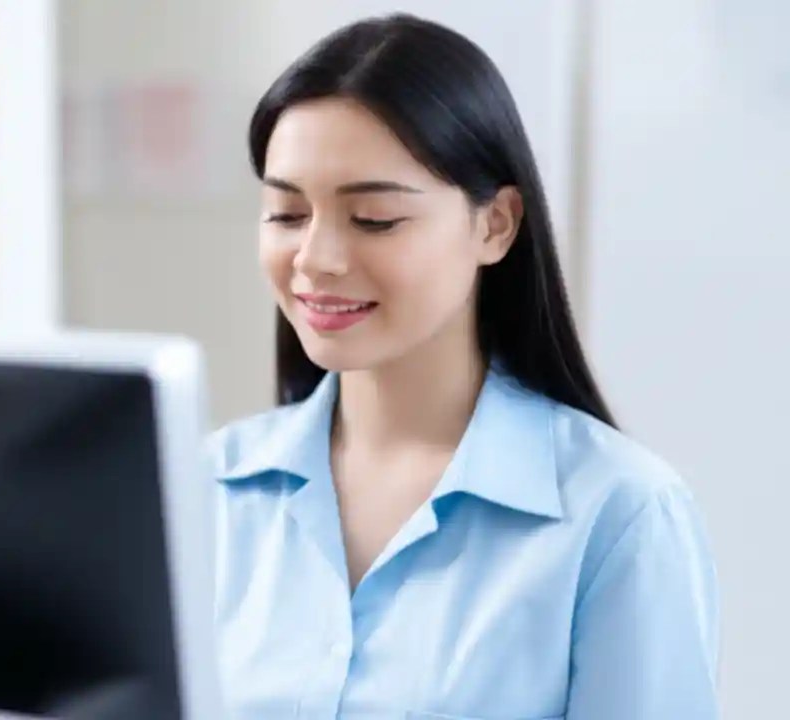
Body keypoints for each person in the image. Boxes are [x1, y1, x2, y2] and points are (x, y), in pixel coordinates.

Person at [209, 14, 719, 720]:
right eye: (287, 214)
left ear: (496, 224)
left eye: (376, 218)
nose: (316, 259)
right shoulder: (201, 490)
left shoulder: (619, 515)